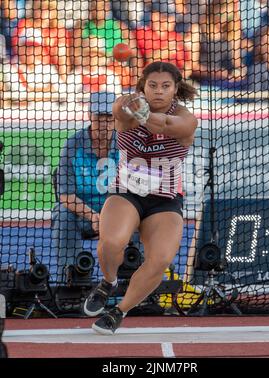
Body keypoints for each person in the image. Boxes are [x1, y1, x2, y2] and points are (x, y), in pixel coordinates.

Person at [83, 61, 198, 335]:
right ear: (143, 87)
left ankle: (119, 311)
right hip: (127, 193)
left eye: (165, 86)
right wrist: (133, 104)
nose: (158, 91)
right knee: (110, 243)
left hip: (165, 201)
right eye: (152, 85)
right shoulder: (129, 109)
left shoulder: (186, 118)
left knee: (160, 259)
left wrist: (146, 115)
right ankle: (108, 282)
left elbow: (170, 125)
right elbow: (118, 109)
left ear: (176, 89)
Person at [51, 91, 119, 284]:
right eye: (99, 118)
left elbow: (133, 190)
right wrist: (93, 216)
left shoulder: (126, 144)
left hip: (118, 215)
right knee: (63, 215)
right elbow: (65, 196)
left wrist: (111, 215)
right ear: (90, 116)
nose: (104, 125)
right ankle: (70, 280)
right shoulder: (72, 145)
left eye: (109, 119)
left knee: (140, 215)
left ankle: (130, 281)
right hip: (83, 215)